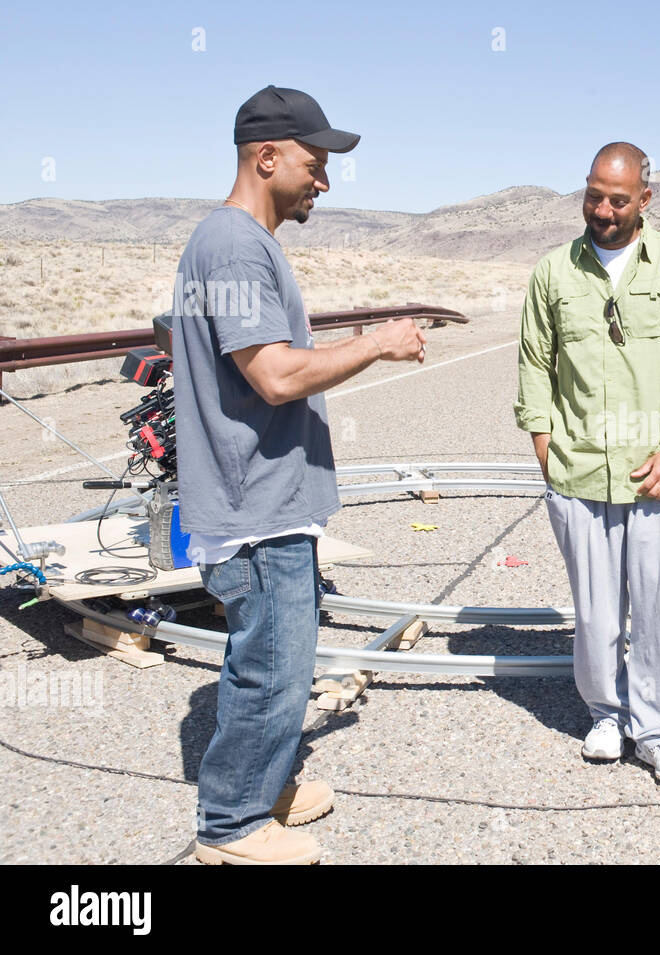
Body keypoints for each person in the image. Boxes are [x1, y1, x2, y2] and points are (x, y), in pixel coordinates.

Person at [172, 86, 426, 863]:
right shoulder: (233, 245)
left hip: (266, 501)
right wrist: (377, 343)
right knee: (272, 669)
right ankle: (232, 824)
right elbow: (275, 375)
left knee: (276, 659)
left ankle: (262, 780)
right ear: (266, 157)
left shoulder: (239, 241)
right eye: (314, 164)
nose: (324, 180)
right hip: (257, 507)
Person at [515, 142, 660, 784]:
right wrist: (546, 450)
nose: (602, 211)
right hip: (578, 473)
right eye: (593, 196)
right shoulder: (553, 272)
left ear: (645, 199)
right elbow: (535, 366)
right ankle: (606, 715)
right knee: (596, 611)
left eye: (618, 200)